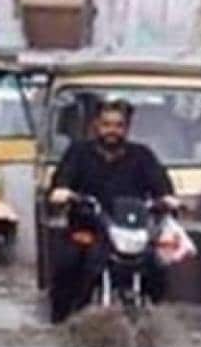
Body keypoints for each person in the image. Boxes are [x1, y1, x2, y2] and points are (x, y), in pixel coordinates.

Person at [47, 98, 176, 323]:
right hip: (89, 230)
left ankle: (153, 318)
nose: (112, 131)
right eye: (107, 125)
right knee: (68, 262)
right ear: (97, 125)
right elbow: (60, 183)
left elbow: (161, 186)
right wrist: (64, 193)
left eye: (118, 126)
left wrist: (167, 200)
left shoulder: (142, 155)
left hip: (130, 232)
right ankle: (61, 322)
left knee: (158, 266)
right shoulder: (79, 153)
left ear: (127, 128)